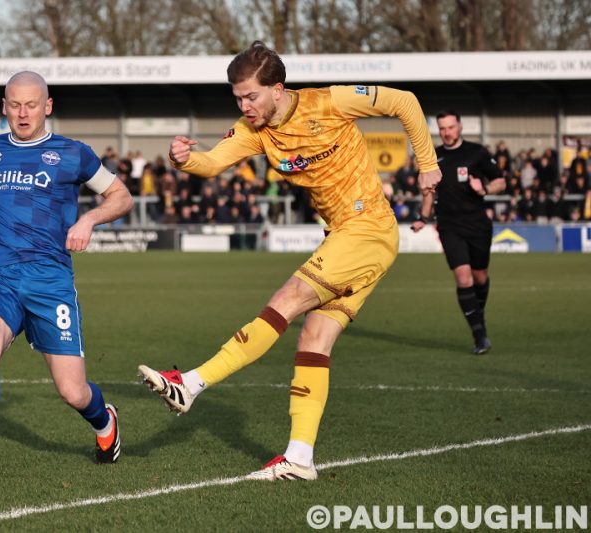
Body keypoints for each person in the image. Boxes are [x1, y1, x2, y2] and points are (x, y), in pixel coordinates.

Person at [137, 41, 441, 481]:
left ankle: (192, 383)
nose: (244, 106)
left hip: (369, 228)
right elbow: (212, 162)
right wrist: (182, 159)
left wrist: (427, 163)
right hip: (346, 237)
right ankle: (300, 457)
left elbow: (405, 102)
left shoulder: (330, 101)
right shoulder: (254, 130)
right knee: (313, 341)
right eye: (238, 98)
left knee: (290, 296)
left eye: (251, 96)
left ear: (278, 89)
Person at [0, 71, 133, 473]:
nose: (23, 113)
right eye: (15, 105)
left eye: (32, 105)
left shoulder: (73, 153)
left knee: (72, 391)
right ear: (4, 108)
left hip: (51, 281)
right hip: (0, 275)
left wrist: (88, 221)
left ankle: (105, 422)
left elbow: (121, 196)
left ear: (47, 107)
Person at [412, 110, 505, 355]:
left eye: (451, 127)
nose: (446, 132)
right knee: (463, 278)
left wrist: (484, 187)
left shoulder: (477, 152)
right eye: (442, 128)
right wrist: (423, 217)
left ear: (460, 127)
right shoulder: (433, 157)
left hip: (477, 223)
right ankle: (479, 335)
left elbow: (500, 181)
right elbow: (429, 192)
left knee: (480, 277)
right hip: (448, 225)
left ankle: (478, 316)